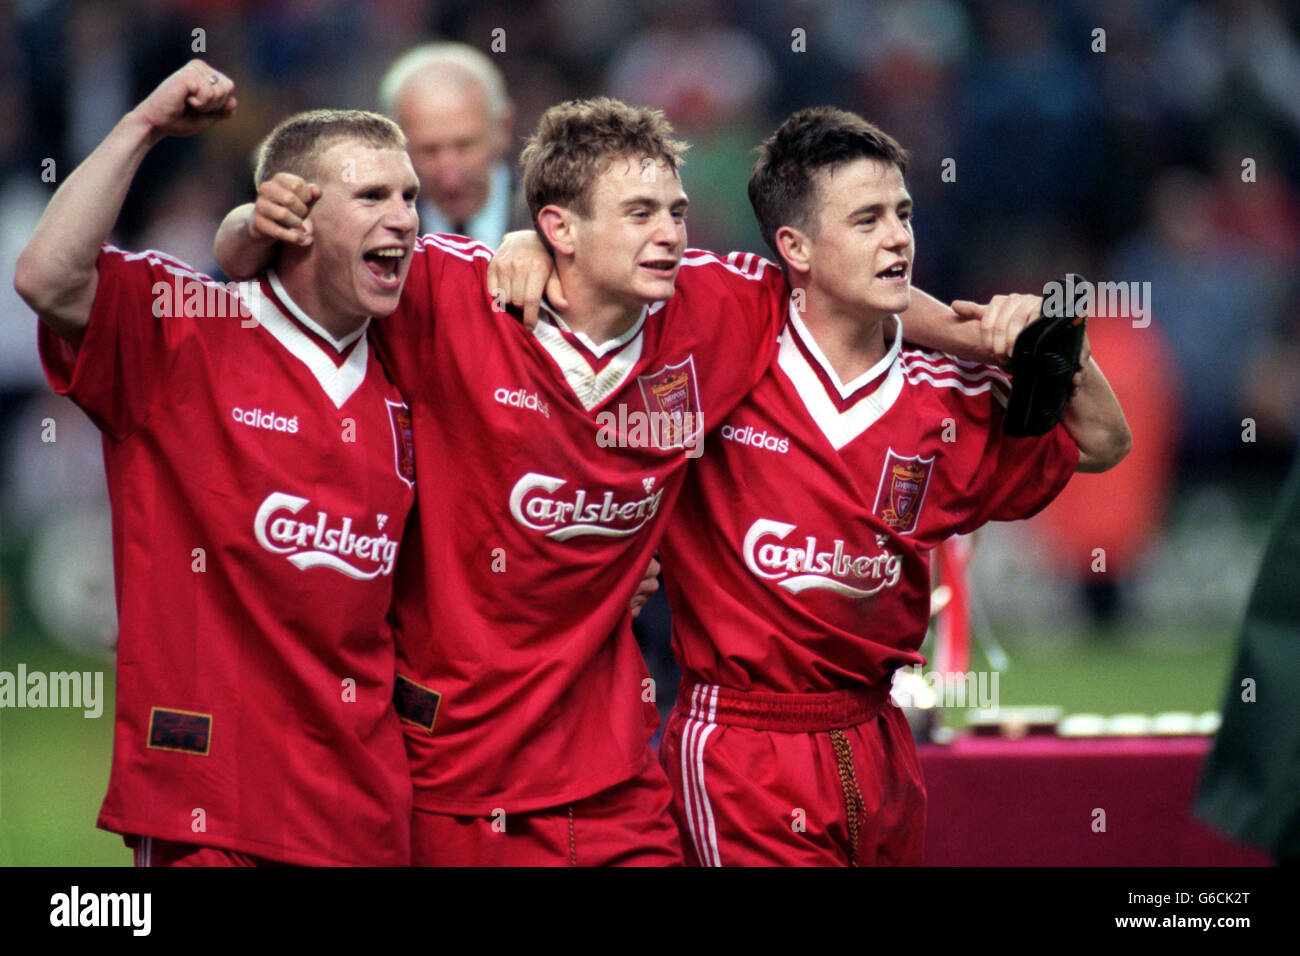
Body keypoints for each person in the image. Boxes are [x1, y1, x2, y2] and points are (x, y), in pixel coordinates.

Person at [214, 96, 1031, 866]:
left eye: (675, 212)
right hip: (453, 763)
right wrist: (249, 224)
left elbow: (844, 286)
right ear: (560, 228)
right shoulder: (452, 295)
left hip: (612, 765)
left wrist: (980, 337)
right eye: (641, 214)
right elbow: (282, 265)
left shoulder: (716, 309)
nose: (672, 233)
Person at [655, 107, 1131, 866]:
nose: (898, 236)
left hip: (880, 739)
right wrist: (524, 246)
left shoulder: (946, 392)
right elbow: (602, 276)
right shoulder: (723, 337)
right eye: (868, 219)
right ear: (795, 247)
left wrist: (1051, 340)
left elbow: (1105, 442)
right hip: (745, 746)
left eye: (903, 213)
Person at [13, 60, 423, 866]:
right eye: (374, 197)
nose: (405, 219)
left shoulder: (410, 377)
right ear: (296, 214)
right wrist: (145, 126)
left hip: (364, 814)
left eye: (410, 197)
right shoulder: (189, 331)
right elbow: (47, 276)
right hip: (212, 810)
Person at [378, 42, 520, 244]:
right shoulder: (378, 237)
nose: (450, 180)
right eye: (428, 151)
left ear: (503, 129)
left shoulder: (555, 223)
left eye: (465, 146)